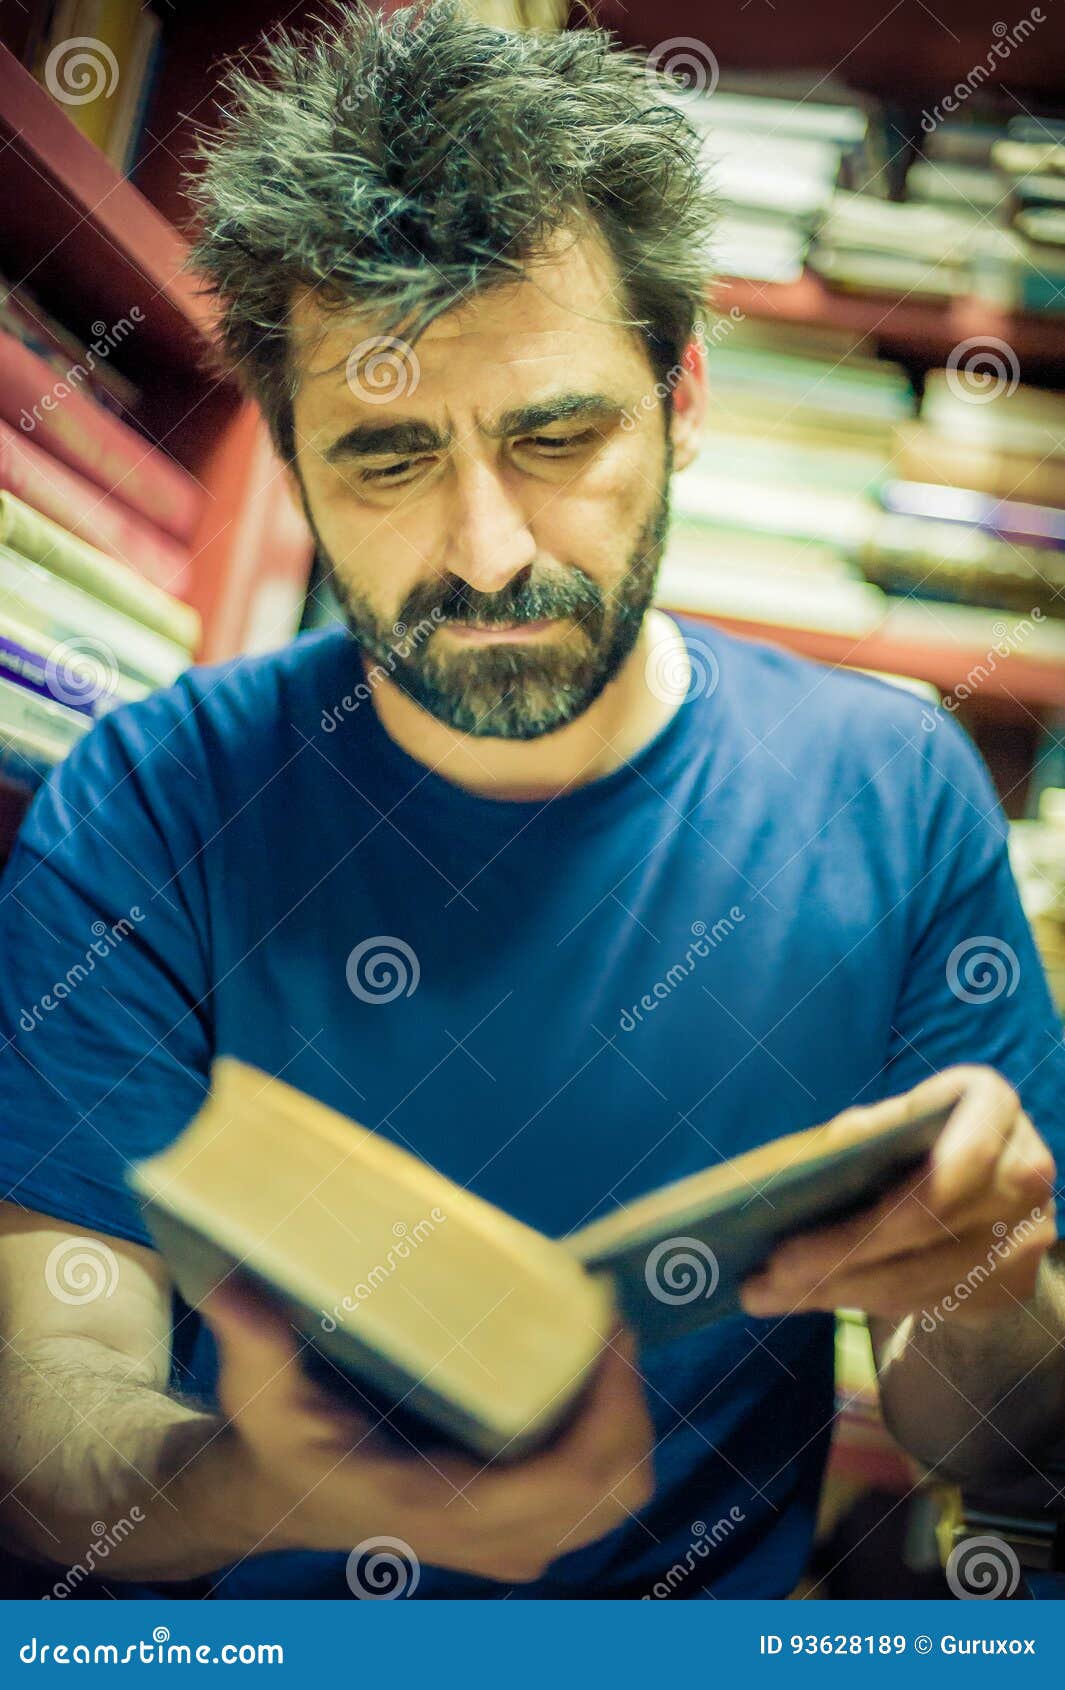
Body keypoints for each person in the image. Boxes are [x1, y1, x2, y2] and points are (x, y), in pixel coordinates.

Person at [0, 0, 1062, 1601]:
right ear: (287, 456)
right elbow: (46, 1416)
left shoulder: (894, 791)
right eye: (386, 459)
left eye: (557, 436)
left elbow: (1003, 1441)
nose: (488, 554)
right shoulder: (148, 803)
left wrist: (978, 1289)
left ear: (680, 397)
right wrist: (257, 1487)